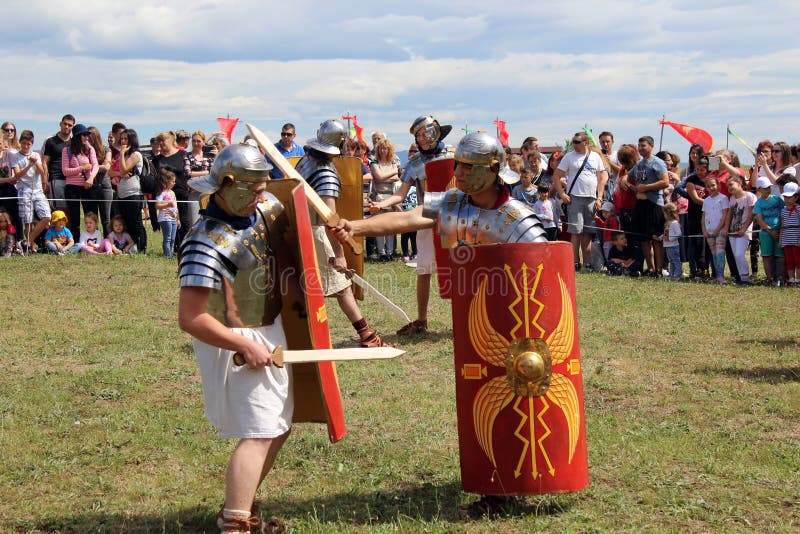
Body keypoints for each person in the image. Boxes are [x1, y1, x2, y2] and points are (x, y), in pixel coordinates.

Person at [331, 132, 549, 515]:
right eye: (457, 165)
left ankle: (509, 487)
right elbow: (408, 217)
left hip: (515, 330)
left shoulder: (519, 220)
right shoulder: (454, 203)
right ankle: (498, 482)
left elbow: (542, 280)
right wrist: (356, 227)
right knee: (482, 405)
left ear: (492, 170)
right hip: (476, 326)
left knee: (511, 406)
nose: (458, 173)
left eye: (467, 167)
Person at [177, 143, 297, 533]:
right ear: (228, 186)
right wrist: (245, 345)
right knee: (260, 431)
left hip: (268, 328)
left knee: (277, 425)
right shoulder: (205, 241)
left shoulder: (262, 212)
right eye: (254, 190)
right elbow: (191, 317)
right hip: (233, 340)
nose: (261, 198)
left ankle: (239, 504)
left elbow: (299, 235)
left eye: (264, 189)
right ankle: (235, 523)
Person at [295, 119, 391, 348]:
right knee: (341, 287)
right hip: (316, 234)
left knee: (302, 286)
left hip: (297, 230)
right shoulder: (326, 172)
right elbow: (329, 219)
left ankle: (300, 335)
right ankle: (367, 335)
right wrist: (339, 254)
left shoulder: (304, 161)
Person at [368, 115, 454, 335]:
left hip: (454, 217)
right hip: (427, 217)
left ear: (436, 131)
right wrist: (381, 204)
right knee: (423, 270)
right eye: (418, 135)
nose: (422, 138)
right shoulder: (415, 163)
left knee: (458, 270)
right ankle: (422, 320)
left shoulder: (454, 155)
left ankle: (462, 318)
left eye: (426, 133)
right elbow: (400, 193)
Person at [553, 131, 608, 272]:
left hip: (591, 198)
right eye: (573, 142)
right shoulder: (569, 157)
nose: (574, 144)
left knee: (588, 231)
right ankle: (575, 262)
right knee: (576, 231)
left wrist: (599, 197)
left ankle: (587, 262)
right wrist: (562, 194)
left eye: (577, 142)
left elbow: (602, 177)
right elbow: (556, 176)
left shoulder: (595, 156)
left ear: (586, 142)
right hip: (575, 197)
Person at [625, 136, 669, 276]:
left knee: (656, 238)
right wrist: (626, 181)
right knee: (644, 239)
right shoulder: (639, 164)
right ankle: (651, 268)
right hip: (640, 205)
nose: (640, 148)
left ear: (651, 146)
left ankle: (659, 269)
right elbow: (628, 175)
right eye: (639, 145)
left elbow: (665, 182)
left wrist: (646, 187)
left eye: (643, 145)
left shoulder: (657, 162)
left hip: (654, 204)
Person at [13, 130, 51, 253]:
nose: (25, 146)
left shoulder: (36, 155)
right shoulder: (16, 157)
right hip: (24, 190)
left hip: (37, 190)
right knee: (27, 221)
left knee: (47, 216)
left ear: (32, 143)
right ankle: (31, 248)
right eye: (23, 143)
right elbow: (17, 175)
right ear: (20, 142)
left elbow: (42, 172)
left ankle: (27, 241)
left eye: (28, 144)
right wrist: (29, 165)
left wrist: (35, 164)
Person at [111, 129, 147, 253]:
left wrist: (121, 154)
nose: (123, 141)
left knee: (136, 221)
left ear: (132, 140)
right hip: (121, 194)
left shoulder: (135, 155)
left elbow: (124, 168)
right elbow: (111, 172)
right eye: (121, 139)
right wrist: (120, 173)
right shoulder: (123, 155)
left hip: (133, 193)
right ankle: (130, 246)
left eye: (126, 139)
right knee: (126, 221)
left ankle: (141, 247)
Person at [753, 176, 786, 286]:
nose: (768, 189)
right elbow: (759, 219)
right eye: (765, 188)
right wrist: (770, 230)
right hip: (766, 233)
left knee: (780, 257)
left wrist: (780, 229)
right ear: (759, 189)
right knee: (767, 256)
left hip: (779, 232)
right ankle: (770, 279)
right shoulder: (758, 203)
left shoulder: (777, 199)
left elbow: (784, 212)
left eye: (769, 187)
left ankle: (781, 278)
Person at [726, 175, 756, 285]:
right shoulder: (732, 198)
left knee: (739, 254)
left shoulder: (750, 196)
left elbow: (752, 214)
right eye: (727, 186)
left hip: (744, 231)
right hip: (732, 231)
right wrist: (726, 228)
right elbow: (729, 214)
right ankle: (742, 278)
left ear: (739, 183)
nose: (729, 188)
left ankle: (746, 278)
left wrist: (744, 228)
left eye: (731, 184)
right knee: (736, 255)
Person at [41, 114, 75, 211]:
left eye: (69, 125)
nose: (67, 127)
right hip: (56, 178)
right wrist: (44, 180)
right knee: (59, 210)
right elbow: (44, 162)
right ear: (60, 124)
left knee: (72, 209)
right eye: (65, 124)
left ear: (72, 127)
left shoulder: (74, 142)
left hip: (72, 180)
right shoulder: (50, 141)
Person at [701, 175, 729, 284]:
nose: (711, 188)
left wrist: (718, 229)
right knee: (714, 254)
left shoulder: (723, 198)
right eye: (708, 186)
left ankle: (721, 276)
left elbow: (725, 215)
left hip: (720, 231)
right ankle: (717, 276)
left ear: (718, 185)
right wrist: (704, 230)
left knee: (720, 253)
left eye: (713, 185)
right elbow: (703, 217)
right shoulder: (706, 201)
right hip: (709, 231)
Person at [187, 130, 213, 225]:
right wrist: (206, 172)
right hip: (193, 193)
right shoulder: (187, 156)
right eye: (194, 141)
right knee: (194, 223)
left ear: (203, 142)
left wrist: (196, 173)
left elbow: (213, 172)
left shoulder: (209, 156)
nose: (196, 143)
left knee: (208, 223)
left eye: (198, 141)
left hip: (207, 194)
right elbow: (188, 173)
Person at [154, 168, 180, 258]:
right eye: (173, 181)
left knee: (172, 238)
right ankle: (167, 255)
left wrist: (178, 219)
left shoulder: (173, 193)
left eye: (174, 181)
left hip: (173, 219)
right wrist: (167, 204)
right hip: (165, 219)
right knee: (167, 238)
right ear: (167, 181)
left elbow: (176, 207)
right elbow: (157, 205)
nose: (174, 183)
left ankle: (170, 253)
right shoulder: (161, 193)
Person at [779, 182, 800, 286]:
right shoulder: (783, 210)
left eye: (789, 197)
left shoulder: (799, 209)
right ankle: (791, 279)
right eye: (785, 197)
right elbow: (782, 225)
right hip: (786, 240)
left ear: (796, 197)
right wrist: (781, 240)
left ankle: (798, 279)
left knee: (798, 260)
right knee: (789, 260)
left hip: (796, 240)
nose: (786, 199)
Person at [594, 200, 621, 265]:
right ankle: (610, 265)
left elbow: (615, 230)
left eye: (606, 212)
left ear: (612, 212)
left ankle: (612, 265)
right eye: (603, 212)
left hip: (610, 241)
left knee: (609, 254)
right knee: (607, 253)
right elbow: (604, 226)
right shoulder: (608, 220)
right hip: (606, 241)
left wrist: (614, 239)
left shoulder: (613, 220)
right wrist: (598, 219)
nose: (604, 214)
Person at [661, 202, 682, 281]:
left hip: (673, 246)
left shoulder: (674, 223)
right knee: (671, 261)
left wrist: (670, 239)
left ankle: (677, 275)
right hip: (668, 246)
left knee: (676, 261)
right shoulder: (667, 223)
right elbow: (665, 233)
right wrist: (660, 238)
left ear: (668, 213)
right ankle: (671, 274)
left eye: (664, 214)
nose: (664, 215)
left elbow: (679, 233)